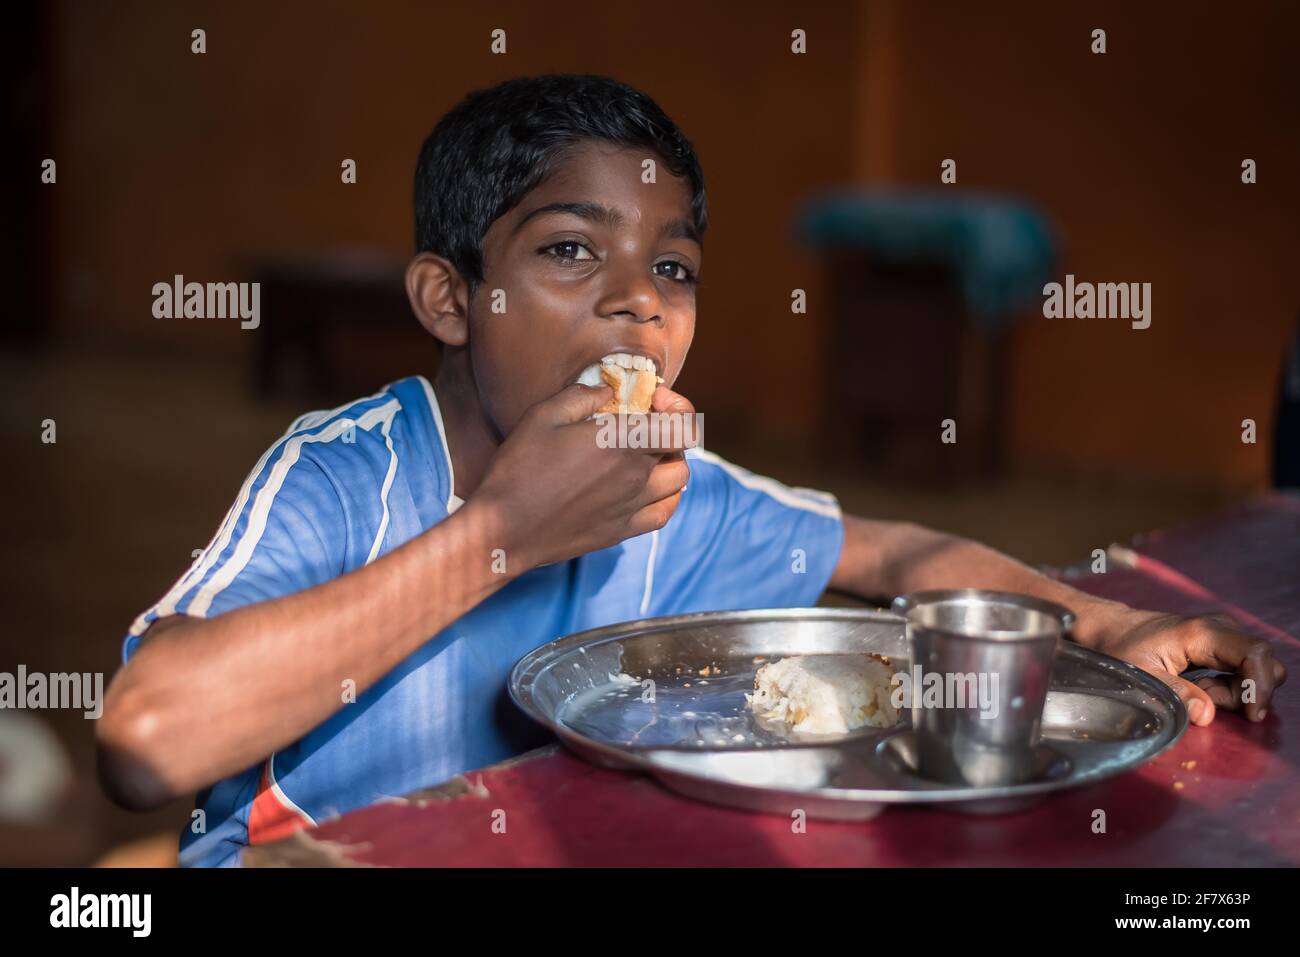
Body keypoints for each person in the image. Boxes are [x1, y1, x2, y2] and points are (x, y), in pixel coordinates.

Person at [97, 74, 1286, 867]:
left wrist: (1099, 619)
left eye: (673, 270)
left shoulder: (666, 496)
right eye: (570, 250)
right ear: (451, 300)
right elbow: (146, 744)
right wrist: (507, 531)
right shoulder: (348, 472)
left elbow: (895, 554)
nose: (635, 300)